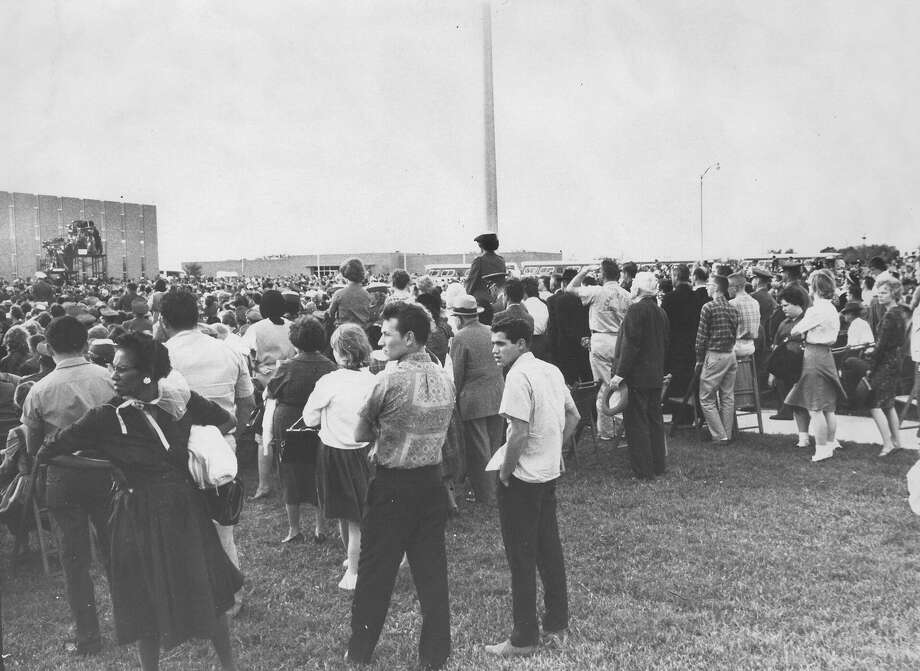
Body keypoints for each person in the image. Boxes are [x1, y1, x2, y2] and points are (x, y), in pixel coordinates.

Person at [37, 332, 241, 670]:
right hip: (138, 515)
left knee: (210, 593)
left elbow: (228, 420)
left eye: (122, 369)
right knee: (145, 602)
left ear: (148, 373)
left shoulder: (179, 401)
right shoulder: (104, 416)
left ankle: (230, 667)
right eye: (112, 367)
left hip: (185, 511)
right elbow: (48, 452)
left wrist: (197, 445)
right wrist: (109, 464)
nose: (113, 374)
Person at [347, 302, 456, 670]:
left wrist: (384, 432)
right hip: (432, 483)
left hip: (392, 486)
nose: (380, 338)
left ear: (409, 338)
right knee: (431, 573)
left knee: (376, 572)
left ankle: (359, 650)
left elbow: (360, 432)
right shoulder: (445, 378)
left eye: (387, 332)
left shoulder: (388, 380)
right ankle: (435, 654)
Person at [484, 315, 579, 658]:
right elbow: (573, 417)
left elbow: (519, 432)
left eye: (501, 343)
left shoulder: (518, 376)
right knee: (549, 551)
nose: (495, 349)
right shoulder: (550, 370)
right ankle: (557, 624)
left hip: (523, 478)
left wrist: (506, 472)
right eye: (493, 342)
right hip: (547, 474)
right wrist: (556, 451)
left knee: (521, 558)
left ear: (521, 343)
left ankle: (523, 637)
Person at [20, 316, 115, 656]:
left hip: (64, 477)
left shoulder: (40, 389)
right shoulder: (109, 377)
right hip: (108, 471)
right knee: (116, 551)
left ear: (49, 346)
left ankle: (88, 636)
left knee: (75, 562)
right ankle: (134, 621)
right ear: (85, 343)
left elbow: (34, 449)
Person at [161, 289, 255, 617]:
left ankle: (195, 600)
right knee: (221, 525)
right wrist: (235, 432)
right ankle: (231, 599)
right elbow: (247, 400)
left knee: (179, 526)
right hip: (221, 442)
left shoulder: (158, 356)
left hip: (177, 449)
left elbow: (144, 389)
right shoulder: (228, 351)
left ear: (163, 320)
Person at [302, 324, 375, 590]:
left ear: (340, 352)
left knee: (351, 516)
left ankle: (354, 571)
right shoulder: (373, 380)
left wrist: (327, 416)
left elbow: (309, 419)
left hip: (336, 452)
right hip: (365, 451)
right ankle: (352, 558)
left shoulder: (329, 382)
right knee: (351, 513)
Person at [266, 315, 336, 542]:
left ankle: (294, 529)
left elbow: (270, 392)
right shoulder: (330, 366)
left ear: (295, 340)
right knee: (319, 470)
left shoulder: (287, 367)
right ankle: (320, 528)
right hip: (319, 421)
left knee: (289, 471)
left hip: (289, 419)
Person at [565, 259, 632, 441]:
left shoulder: (596, 291)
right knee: (621, 384)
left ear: (603, 274)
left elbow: (569, 289)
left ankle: (607, 430)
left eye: (600, 273)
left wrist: (584, 270)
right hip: (620, 339)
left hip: (601, 339)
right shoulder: (627, 294)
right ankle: (622, 426)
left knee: (603, 386)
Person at [784, 269, 846, 462]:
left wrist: (801, 332)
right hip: (827, 355)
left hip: (814, 355)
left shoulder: (816, 309)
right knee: (828, 406)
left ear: (815, 288)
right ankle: (830, 442)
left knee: (814, 406)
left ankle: (822, 448)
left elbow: (795, 330)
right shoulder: (832, 309)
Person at [612, 272, 669, 479]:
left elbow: (631, 344)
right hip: (654, 374)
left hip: (637, 376)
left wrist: (619, 373)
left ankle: (644, 471)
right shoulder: (660, 312)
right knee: (654, 421)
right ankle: (657, 465)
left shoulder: (636, 310)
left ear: (637, 289)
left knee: (637, 424)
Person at [448, 295, 505, 505]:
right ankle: (497, 488)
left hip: (473, 399)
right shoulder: (491, 330)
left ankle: (487, 495)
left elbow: (457, 373)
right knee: (495, 444)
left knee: (480, 450)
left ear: (459, 318)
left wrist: (456, 397)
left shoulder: (460, 338)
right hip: (498, 394)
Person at [244, 289, 297, 499]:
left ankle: (264, 484)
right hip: (290, 378)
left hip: (267, 381)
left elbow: (247, 356)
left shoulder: (255, 328)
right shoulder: (292, 326)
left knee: (263, 435)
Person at [867, 278, 911, 456]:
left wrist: (870, 361)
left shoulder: (890, 315)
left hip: (886, 361)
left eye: (884, 292)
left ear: (894, 294)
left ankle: (888, 444)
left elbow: (881, 345)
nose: (879, 295)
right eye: (878, 292)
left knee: (874, 403)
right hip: (896, 360)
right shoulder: (901, 312)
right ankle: (897, 442)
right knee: (888, 403)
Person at [694, 275, 740, 443]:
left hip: (714, 355)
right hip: (730, 355)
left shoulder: (708, 307)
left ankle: (720, 436)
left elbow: (701, 337)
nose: (706, 287)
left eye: (709, 284)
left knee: (706, 398)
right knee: (727, 396)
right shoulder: (733, 308)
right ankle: (727, 433)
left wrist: (699, 359)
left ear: (715, 287)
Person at [661, 263, 702, 400]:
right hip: (693, 345)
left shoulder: (669, 298)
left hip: (675, 346)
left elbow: (665, 325)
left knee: (675, 383)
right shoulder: (697, 297)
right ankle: (689, 412)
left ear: (676, 277)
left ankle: (675, 410)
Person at [766, 287, 807, 420]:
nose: (783, 309)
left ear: (796, 303)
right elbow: (776, 346)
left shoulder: (807, 321)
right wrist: (772, 373)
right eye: (782, 306)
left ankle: (794, 410)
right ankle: (785, 411)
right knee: (781, 381)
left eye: (786, 305)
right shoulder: (783, 323)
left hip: (801, 362)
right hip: (783, 364)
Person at [465, 232, 507, 318]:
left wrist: (467, 297)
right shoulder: (501, 260)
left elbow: (471, 283)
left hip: (482, 304)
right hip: (499, 303)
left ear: (481, 246)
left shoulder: (479, 261)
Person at [327, 257, 372, 330]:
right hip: (362, 333)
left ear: (345, 274)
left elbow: (330, 314)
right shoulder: (367, 294)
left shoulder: (339, 294)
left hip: (344, 332)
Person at [521, 276, 550, 361]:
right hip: (543, 343)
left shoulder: (523, 306)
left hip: (528, 343)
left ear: (524, 292)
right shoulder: (544, 304)